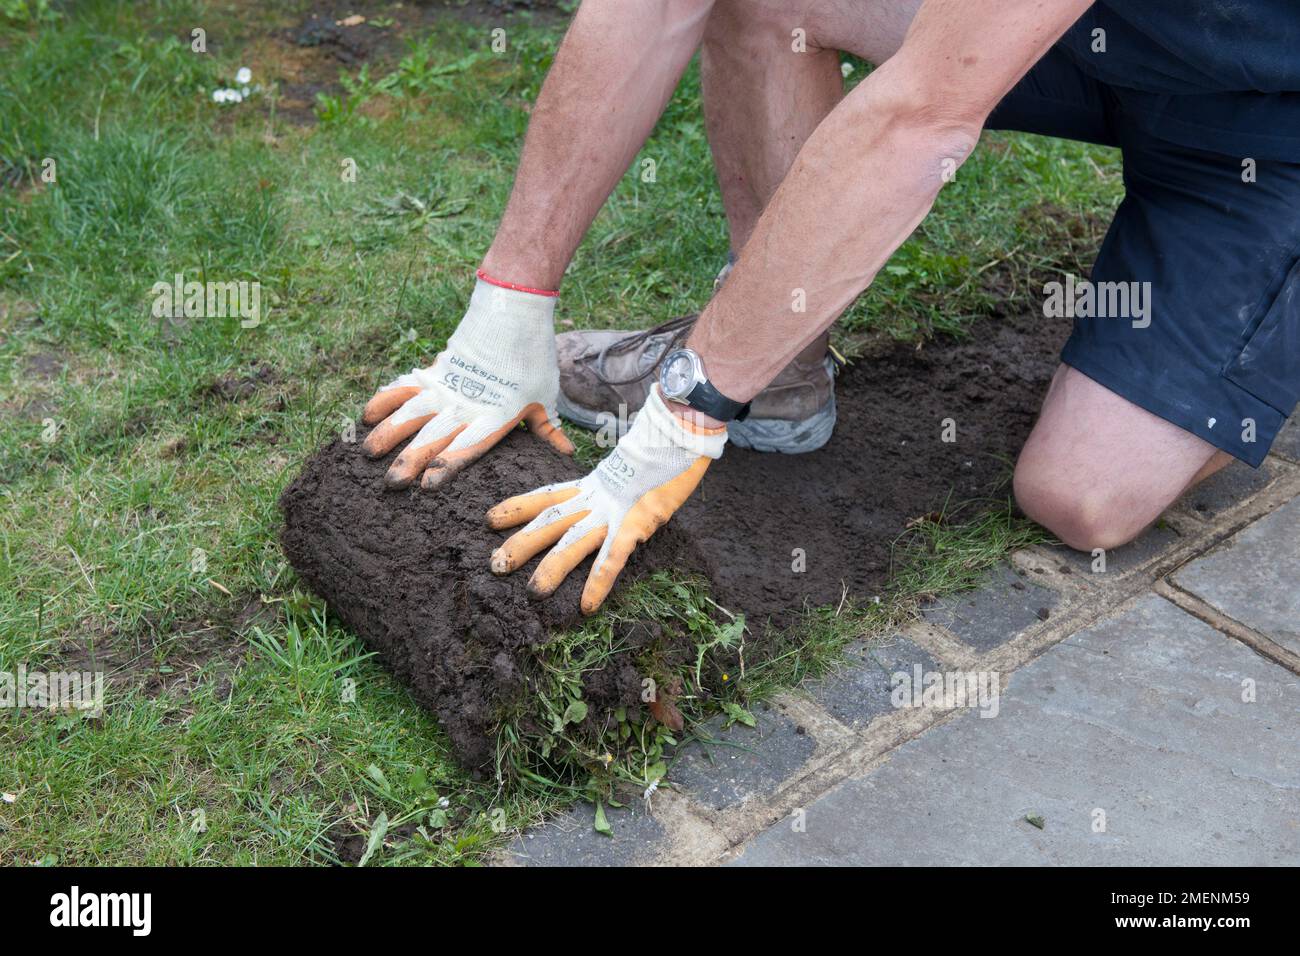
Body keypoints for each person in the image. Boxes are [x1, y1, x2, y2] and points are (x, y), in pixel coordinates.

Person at [359, 0, 1300, 614]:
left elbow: (918, 118)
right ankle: (777, 384)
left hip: (1268, 117)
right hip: (1096, 34)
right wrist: (507, 311)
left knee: (1084, 500)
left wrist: (680, 421)